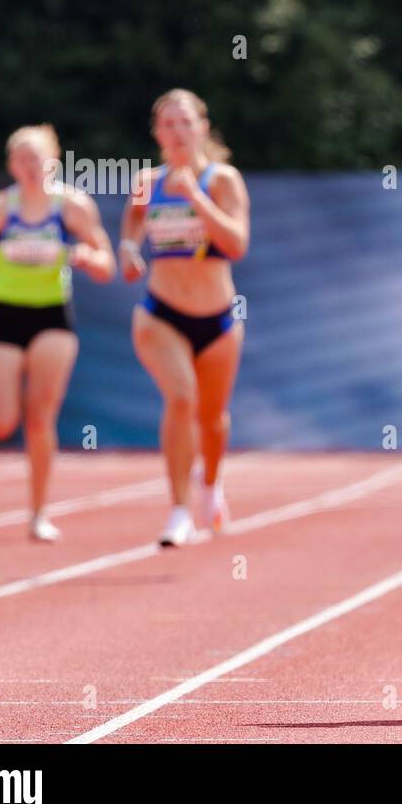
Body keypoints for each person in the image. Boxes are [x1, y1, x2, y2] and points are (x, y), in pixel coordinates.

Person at [0, 124, 115, 541]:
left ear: (53, 162)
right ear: (10, 165)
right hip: (4, 316)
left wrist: (87, 257)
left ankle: (39, 513)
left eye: (34, 157)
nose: (28, 165)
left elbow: (106, 262)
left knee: (41, 417)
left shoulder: (72, 206)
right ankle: (10, 392)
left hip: (51, 317)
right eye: (20, 158)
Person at [119, 89, 250, 547]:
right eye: (167, 124)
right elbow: (133, 222)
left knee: (213, 418)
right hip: (161, 314)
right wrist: (129, 249)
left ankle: (210, 484)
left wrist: (194, 195)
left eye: (184, 123)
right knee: (181, 399)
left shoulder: (222, 180)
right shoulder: (146, 181)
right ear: (157, 133)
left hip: (217, 318)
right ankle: (178, 511)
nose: (176, 132)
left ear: (201, 128)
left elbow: (236, 243)